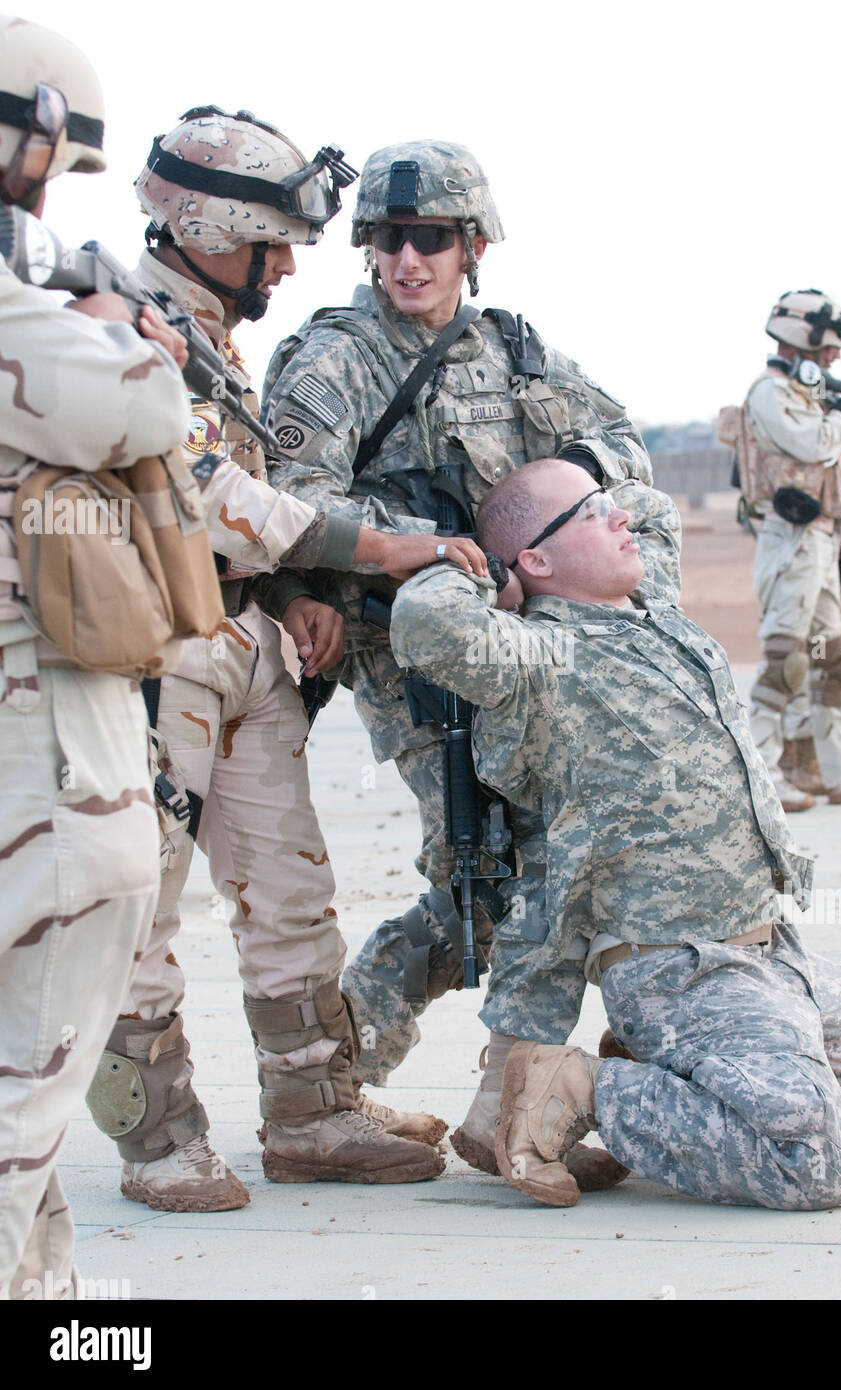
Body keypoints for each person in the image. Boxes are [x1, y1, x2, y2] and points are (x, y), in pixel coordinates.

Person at [261, 140, 679, 1184]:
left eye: (431, 239)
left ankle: (419, 1086)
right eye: (389, 239)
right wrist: (415, 547)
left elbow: (617, 439)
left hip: (522, 640)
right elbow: (286, 503)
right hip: (408, 645)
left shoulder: (515, 349)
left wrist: (556, 486)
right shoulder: (334, 357)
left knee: (524, 869)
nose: (408, 260)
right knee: (483, 870)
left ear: (473, 245)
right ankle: (335, 1085)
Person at [388, 457, 841, 1210]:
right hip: (682, 970)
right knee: (813, 1164)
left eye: (604, 504)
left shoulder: (648, 601)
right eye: (593, 515)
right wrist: (470, 565)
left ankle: (712, 1080)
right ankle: (584, 1086)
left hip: (775, 953)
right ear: (535, 560)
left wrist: (589, 492)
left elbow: (652, 506)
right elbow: (422, 623)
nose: (619, 518)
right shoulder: (534, 654)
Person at [86, 109, 451, 1215]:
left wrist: (290, 593)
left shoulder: (202, 335)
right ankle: (157, 1138)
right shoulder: (119, 328)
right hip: (155, 654)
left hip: (238, 646)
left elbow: (230, 500)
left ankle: (312, 1113)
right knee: (136, 910)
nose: (288, 264)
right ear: (206, 225)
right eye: (270, 242)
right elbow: (201, 493)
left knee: (291, 893)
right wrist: (373, 547)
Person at [0, 16, 192, 1297]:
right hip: (50, 774)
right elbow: (142, 401)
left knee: (34, 1122)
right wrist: (119, 322)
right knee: (16, 1119)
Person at [731, 289, 841, 811]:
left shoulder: (803, 396)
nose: (834, 357)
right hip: (792, 541)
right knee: (786, 656)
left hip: (821, 541)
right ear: (801, 338)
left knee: (830, 659)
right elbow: (813, 445)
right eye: (828, 347)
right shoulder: (771, 392)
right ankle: (765, 772)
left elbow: (835, 460)